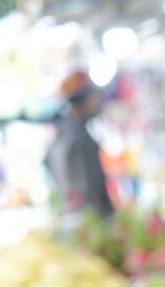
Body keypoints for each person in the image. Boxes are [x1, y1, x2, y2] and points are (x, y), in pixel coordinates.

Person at [46, 71, 114, 219]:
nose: (97, 101)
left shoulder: (62, 136)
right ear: (80, 103)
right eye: (92, 97)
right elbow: (93, 191)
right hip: (91, 220)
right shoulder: (79, 139)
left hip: (75, 218)